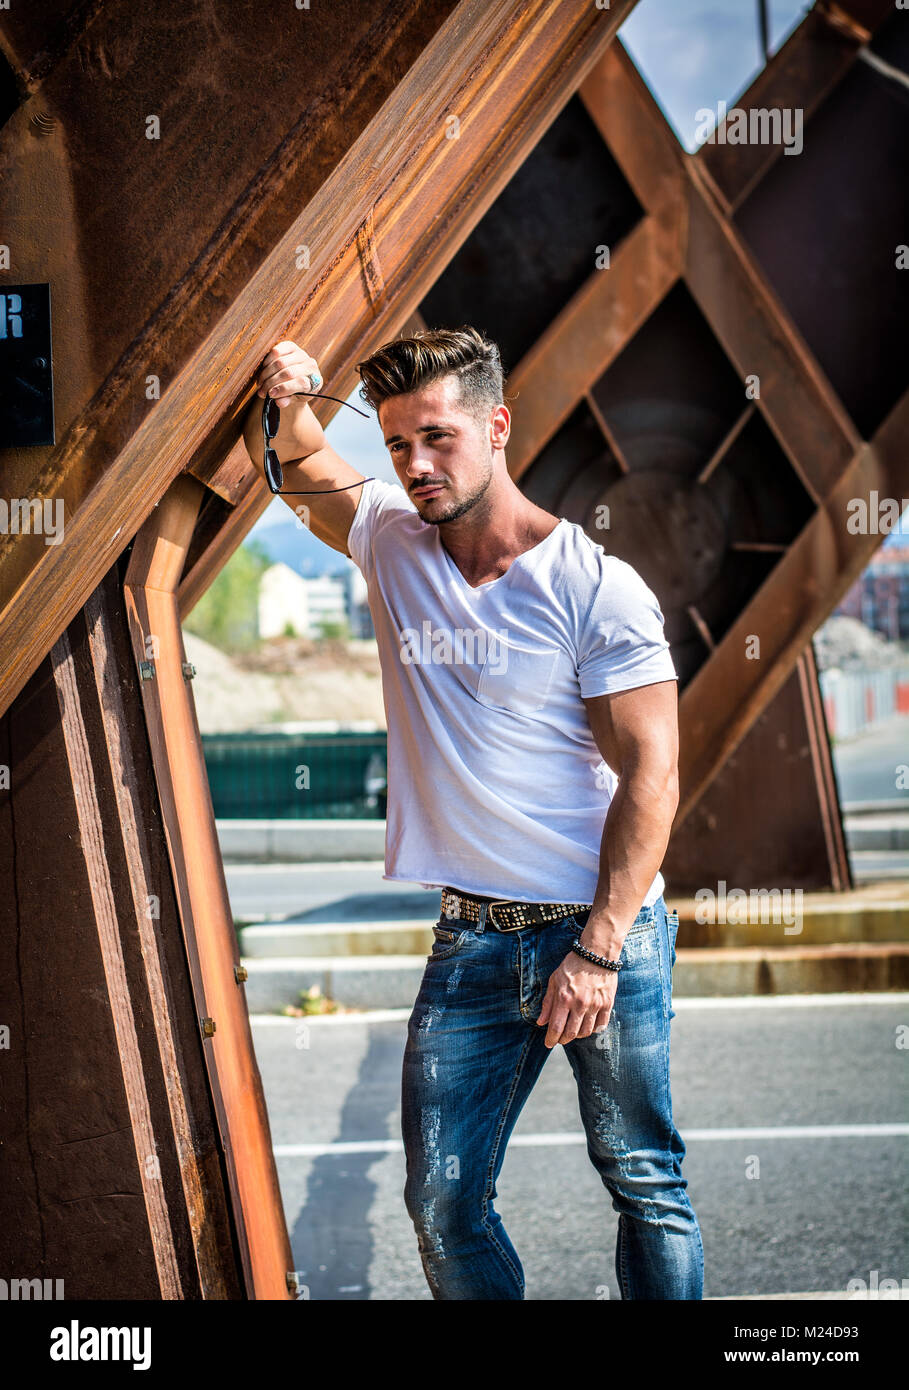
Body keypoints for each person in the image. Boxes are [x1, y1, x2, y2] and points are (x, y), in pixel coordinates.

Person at [243, 326, 703, 1300]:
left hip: (600, 931)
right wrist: (293, 395)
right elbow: (302, 457)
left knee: (643, 1180)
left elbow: (653, 773)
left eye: (439, 437)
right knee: (442, 1204)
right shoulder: (388, 539)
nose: (415, 463)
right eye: (399, 441)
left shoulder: (593, 586)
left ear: (495, 428)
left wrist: (602, 945)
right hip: (470, 936)